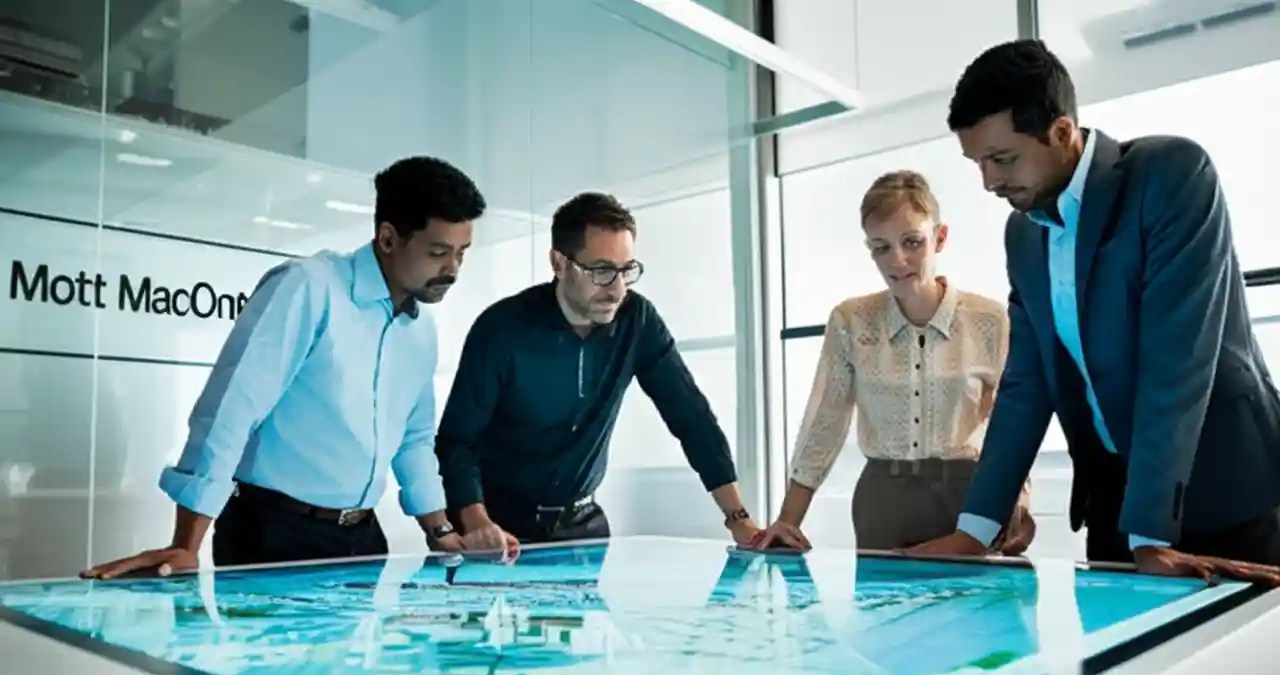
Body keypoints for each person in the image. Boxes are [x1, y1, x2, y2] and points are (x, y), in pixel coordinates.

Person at [908, 39, 1280, 585]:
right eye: (978, 163)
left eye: (1002, 158)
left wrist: (1152, 536)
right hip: (1117, 508)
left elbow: (1175, 362)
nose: (988, 181)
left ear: (1062, 133)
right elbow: (1026, 384)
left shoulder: (1171, 175)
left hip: (1228, 490)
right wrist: (976, 529)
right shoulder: (1023, 234)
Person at [82, 156, 509, 580]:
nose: (452, 269)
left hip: (362, 539)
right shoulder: (308, 288)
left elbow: (413, 441)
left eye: (461, 254)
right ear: (388, 238)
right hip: (271, 534)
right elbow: (231, 410)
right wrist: (185, 545)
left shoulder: (420, 329)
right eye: (438, 252)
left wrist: (441, 532)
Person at [434, 191, 775, 548]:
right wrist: (476, 523)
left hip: (583, 529)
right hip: (498, 528)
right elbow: (458, 441)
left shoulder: (637, 320)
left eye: (626, 271)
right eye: (601, 271)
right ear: (559, 263)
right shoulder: (502, 329)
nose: (617, 288)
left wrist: (740, 521)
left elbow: (691, 417)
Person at [752, 171, 1035, 553]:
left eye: (912, 242)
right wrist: (787, 521)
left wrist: (1019, 501)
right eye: (881, 247)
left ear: (940, 238)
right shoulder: (850, 321)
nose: (897, 260)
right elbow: (824, 422)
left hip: (972, 501)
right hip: (882, 503)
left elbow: (1015, 423)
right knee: (882, 613)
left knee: (977, 612)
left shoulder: (990, 320)